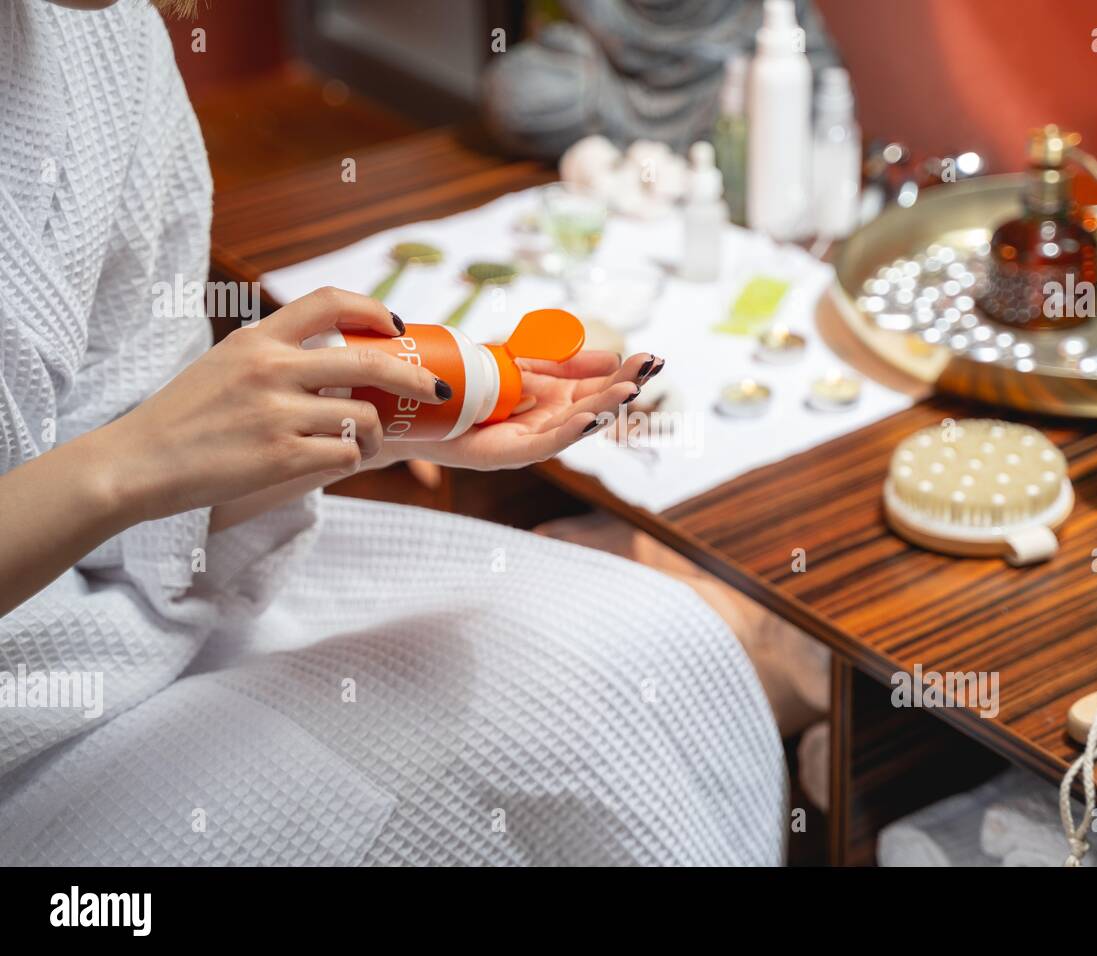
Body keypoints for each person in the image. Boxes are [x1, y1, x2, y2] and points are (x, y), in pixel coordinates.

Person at [0, 0, 785, 865]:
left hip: (128, 623)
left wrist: (364, 427)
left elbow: (142, 503)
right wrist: (132, 462)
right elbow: (130, 464)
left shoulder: (105, 35)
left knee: (655, 636)